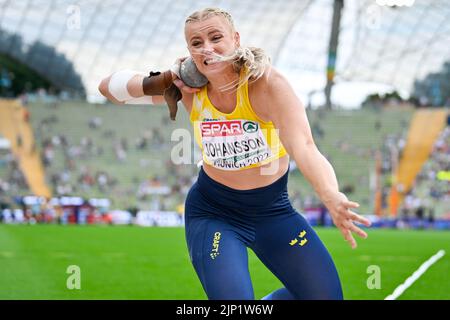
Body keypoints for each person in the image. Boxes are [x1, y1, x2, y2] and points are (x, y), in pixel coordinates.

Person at [98, 7, 371, 300]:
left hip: (273, 212)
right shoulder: (188, 89)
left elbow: (304, 146)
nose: (207, 48)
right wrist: (162, 79)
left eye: (216, 37)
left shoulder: (266, 86)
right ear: (189, 51)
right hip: (214, 213)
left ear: (236, 39)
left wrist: (331, 195)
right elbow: (108, 88)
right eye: (196, 43)